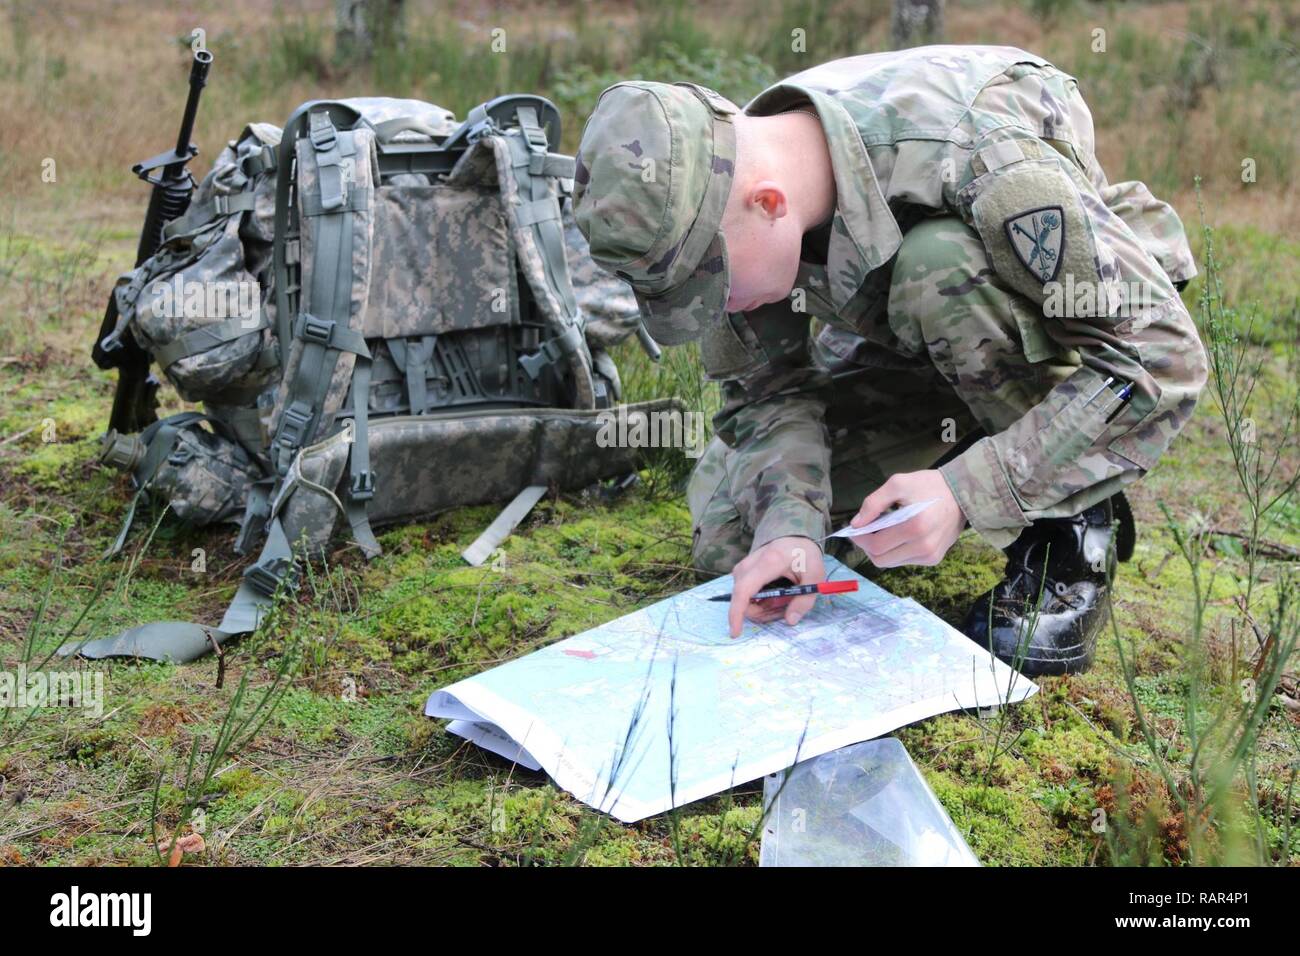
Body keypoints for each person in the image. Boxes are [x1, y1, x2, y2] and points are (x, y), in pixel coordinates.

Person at [571, 45, 1207, 675]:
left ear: (768, 204)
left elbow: (1160, 357)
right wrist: (789, 530)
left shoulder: (982, 153)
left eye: (710, 283)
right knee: (732, 533)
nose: (714, 306)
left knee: (939, 268)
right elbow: (766, 394)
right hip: (909, 347)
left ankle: (1069, 535)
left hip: (1059, 327)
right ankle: (970, 453)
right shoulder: (729, 189)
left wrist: (968, 491)